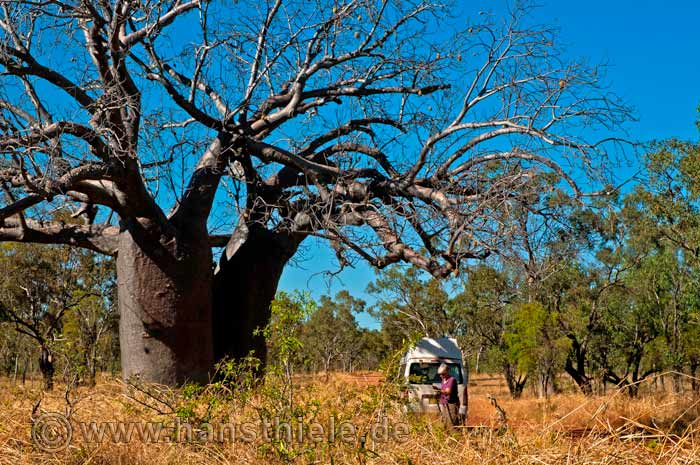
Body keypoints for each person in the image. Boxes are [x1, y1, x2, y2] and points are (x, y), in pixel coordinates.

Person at [433, 363, 460, 429]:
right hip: (444, 403)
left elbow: (448, 392)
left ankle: (454, 436)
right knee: (445, 421)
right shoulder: (443, 380)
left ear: (447, 372)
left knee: (452, 421)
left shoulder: (452, 380)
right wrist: (438, 391)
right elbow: (443, 390)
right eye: (440, 374)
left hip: (452, 404)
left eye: (443, 374)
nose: (441, 376)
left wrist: (439, 391)